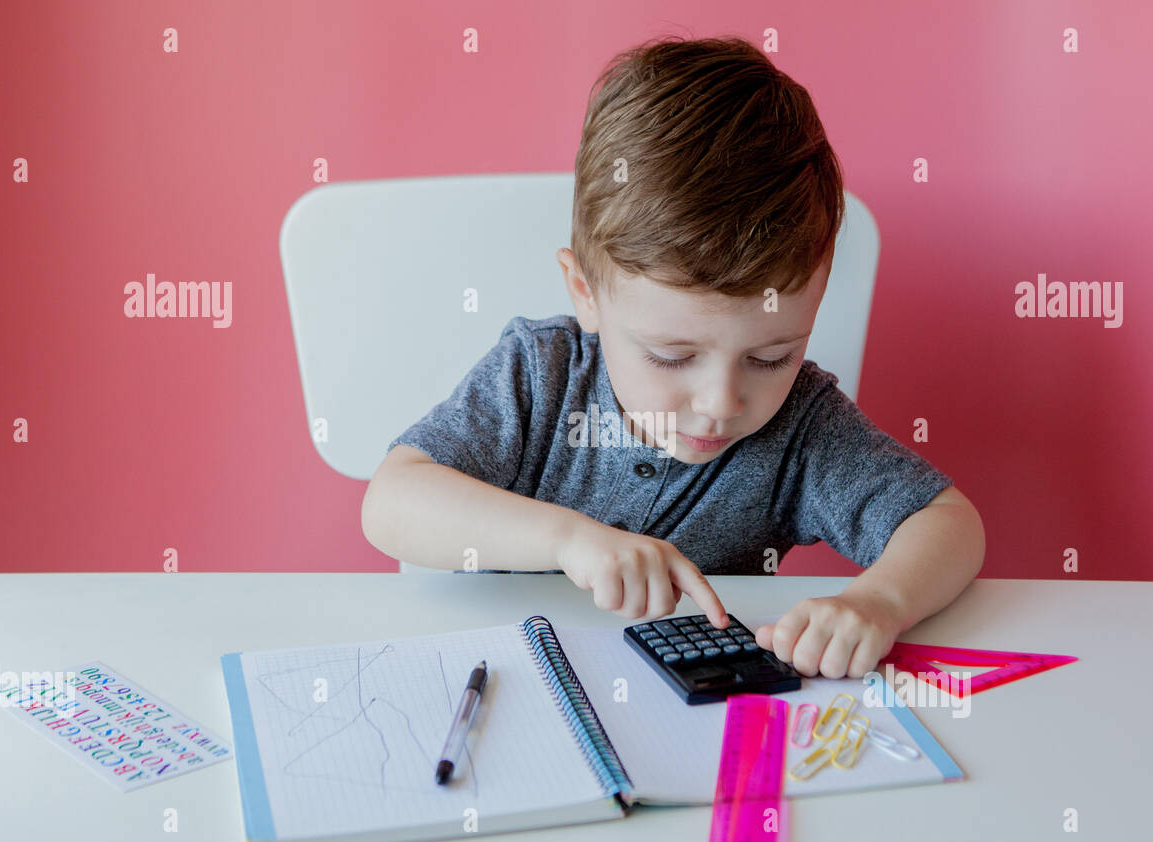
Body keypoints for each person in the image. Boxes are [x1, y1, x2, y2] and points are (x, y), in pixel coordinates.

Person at [362, 36, 985, 679]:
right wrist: (569, 540)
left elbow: (951, 524)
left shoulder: (802, 426)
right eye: (669, 355)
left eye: (772, 356)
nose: (721, 403)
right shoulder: (538, 375)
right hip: (497, 686)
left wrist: (878, 602)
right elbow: (391, 501)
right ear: (587, 295)